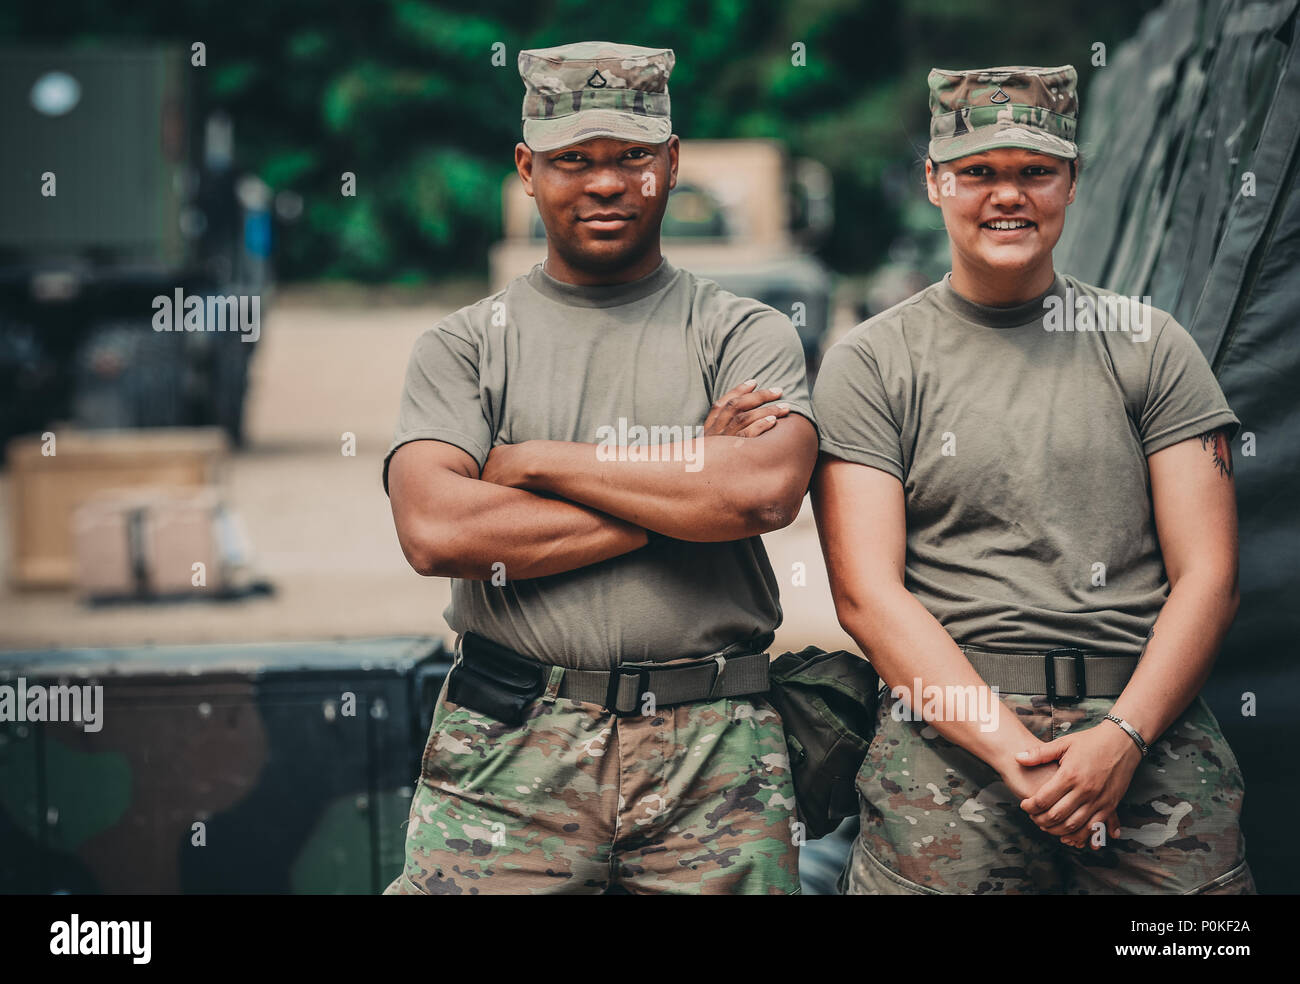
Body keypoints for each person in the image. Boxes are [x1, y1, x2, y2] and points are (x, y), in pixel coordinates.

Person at [381, 41, 818, 895]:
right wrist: (689, 480)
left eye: (632, 157)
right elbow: (437, 530)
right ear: (527, 169)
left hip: (714, 752)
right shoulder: (465, 347)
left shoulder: (742, 331)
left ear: (673, 162)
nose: (607, 183)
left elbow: (763, 491)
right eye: (573, 160)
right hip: (507, 752)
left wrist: (528, 463)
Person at [811, 65, 1254, 894]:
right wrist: (1019, 758)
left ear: (1073, 181)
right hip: (950, 743)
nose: (1006, 196)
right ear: (936, 181)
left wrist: (1120, 738)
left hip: (1146, 734)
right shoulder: (872, 362)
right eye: (979, 171)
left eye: (1033, 171)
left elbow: (1211, 577)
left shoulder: (1150, 346)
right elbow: (867, 594)